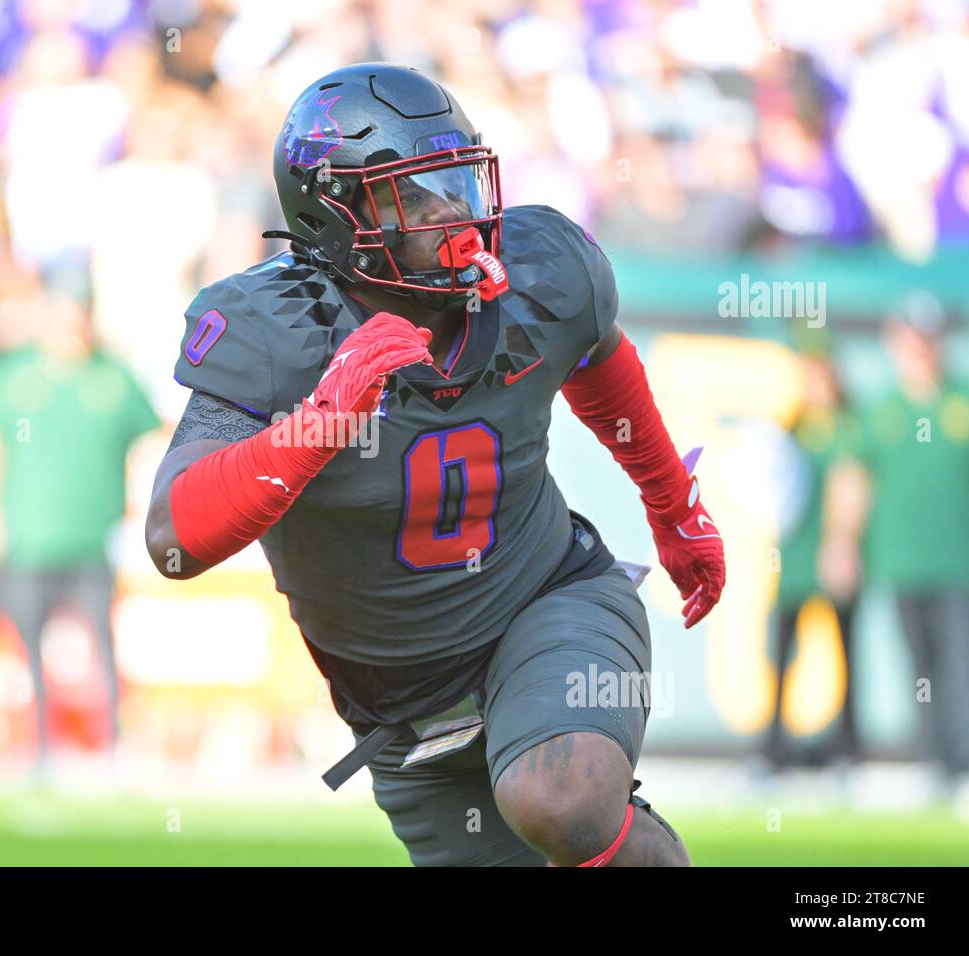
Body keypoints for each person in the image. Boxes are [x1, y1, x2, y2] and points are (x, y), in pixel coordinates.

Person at [144, 63, 727, 867]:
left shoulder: (535, 272)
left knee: (561, 798)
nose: (451, 211)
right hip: (404, 708)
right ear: (335, 217)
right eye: (410, 195)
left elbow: (599, 359)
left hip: (543, 600)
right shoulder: (275, 333)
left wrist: (673, 506)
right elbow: (175, 540)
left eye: (455, 181)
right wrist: (320, 425)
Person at [0, 256, 160, 748]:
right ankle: (37, 749)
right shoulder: (13, 377)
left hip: (92, 538)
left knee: (103, 647)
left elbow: (155, 443)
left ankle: (111, 746)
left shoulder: (113, 377)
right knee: (26, 649)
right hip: (28, 537)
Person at [831, 297, 969, 786]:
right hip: (903, 557)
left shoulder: (964, 400)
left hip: (961, 559)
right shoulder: (882, 410)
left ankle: (966, 757)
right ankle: (936, 759)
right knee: (922, 666)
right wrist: (843, 543)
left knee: (964, 658)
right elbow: (855, 479)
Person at [763, 350, 864, 771]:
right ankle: (774, 747)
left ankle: (846, 746)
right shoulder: (792, 428)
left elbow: (852, 484)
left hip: (831, 556)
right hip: (794, 559)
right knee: (783, 651)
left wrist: (842, 545)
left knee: (845, 652)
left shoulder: (847, 428)